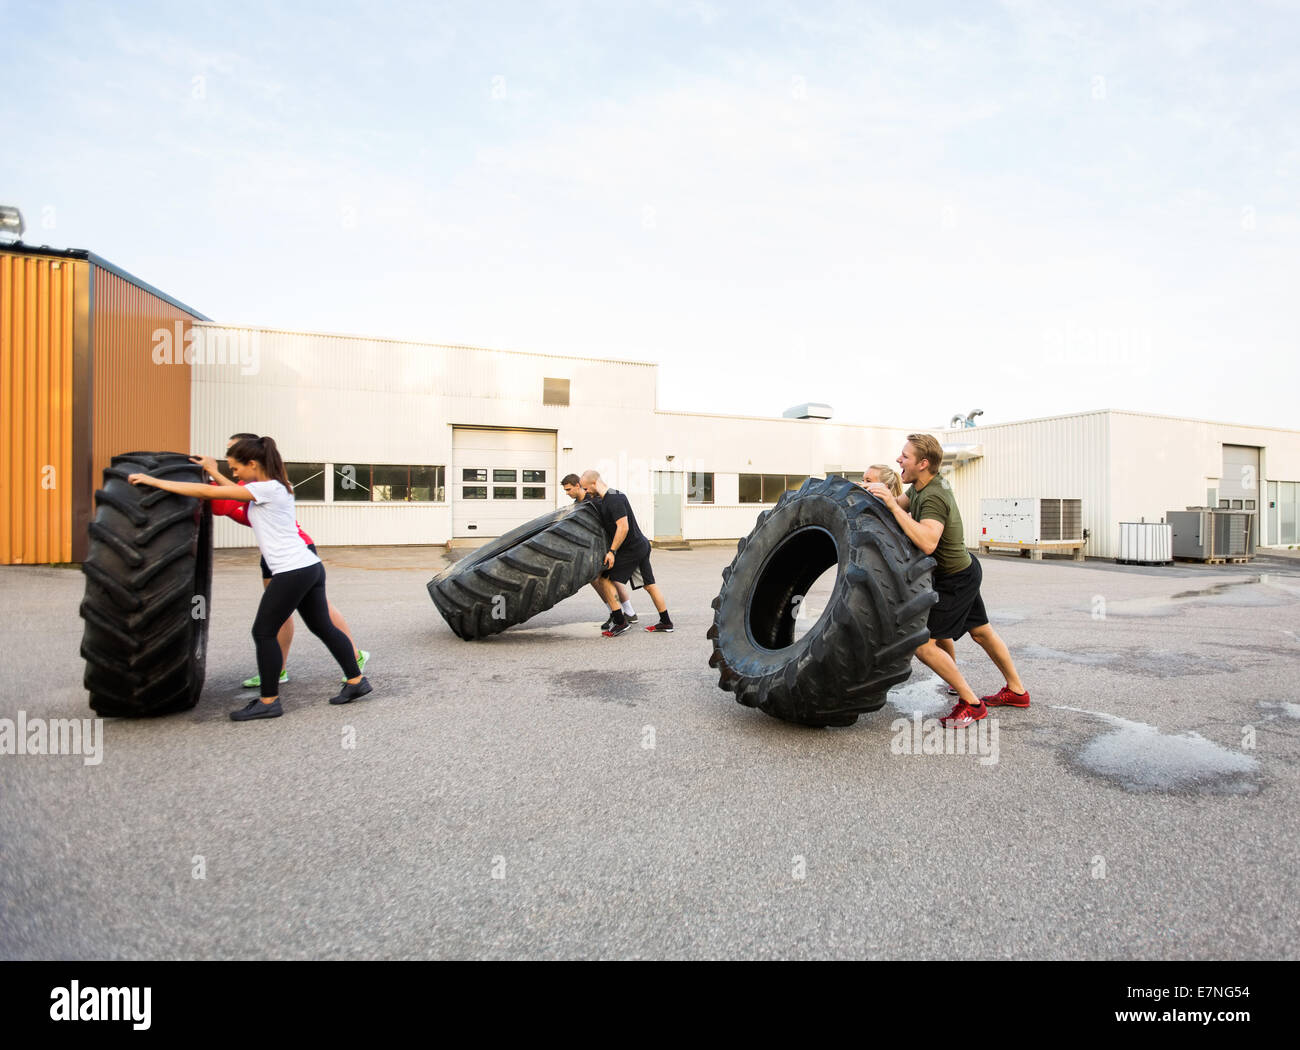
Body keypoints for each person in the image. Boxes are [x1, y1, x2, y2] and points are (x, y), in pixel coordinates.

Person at [129, 435, 373, 720]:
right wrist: (214, 471)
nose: (234, 474)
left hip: (293, 570)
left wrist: (155, 481)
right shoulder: (276, 486)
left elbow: (209, 494)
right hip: (308, 566)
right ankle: (356, 682)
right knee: (322, 627)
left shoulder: (267, 489)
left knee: (264, 631)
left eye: (235, 468)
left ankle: (269, 702)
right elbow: (233, 491)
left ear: (253, 464)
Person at [865, 433, 1029, 728]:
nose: (899, 459)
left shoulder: (934, 496)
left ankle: (971, 703)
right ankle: (1017, 691)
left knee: (921, 643)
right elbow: (897, 508)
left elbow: (927, 541)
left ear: (923, 463)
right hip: (963, 570)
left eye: (905, 456)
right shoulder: (919, 487)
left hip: (955, 580)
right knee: (981, 633)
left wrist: (891, 505)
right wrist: (867, 494)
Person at [209, 433, 368, 688]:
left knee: (315, 613)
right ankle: (278, 670)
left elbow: (222, 503)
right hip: (275, 555)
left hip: (297, 552)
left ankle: (355, 656)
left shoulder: (265, 487)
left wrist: (192, 483)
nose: (231, 462)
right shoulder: (255, 486)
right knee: (282, 615)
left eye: (234, 454)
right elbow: (228, 500)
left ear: (251, 460)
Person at [579, 470, 673, 636]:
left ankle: (620, 621)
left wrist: (612, 552)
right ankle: (666, 622)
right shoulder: (611, 496)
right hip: (639, 545)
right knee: (649, 585)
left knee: (604, 578)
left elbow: (623, 527)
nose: (585, 492)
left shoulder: (613, 499)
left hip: (632, 548)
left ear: (594, 483)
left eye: (586, 489)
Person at [562, 473, 639, 629]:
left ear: (578, 485)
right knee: (597, 579)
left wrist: (612, 549)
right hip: (589, 547)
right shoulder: (577, 504)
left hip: (605, 546)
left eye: (569, 489)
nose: (567, 493)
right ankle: (615, 612)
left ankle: (627, 613)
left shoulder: (597, 500)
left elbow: (616, 524)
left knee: (608, 579)